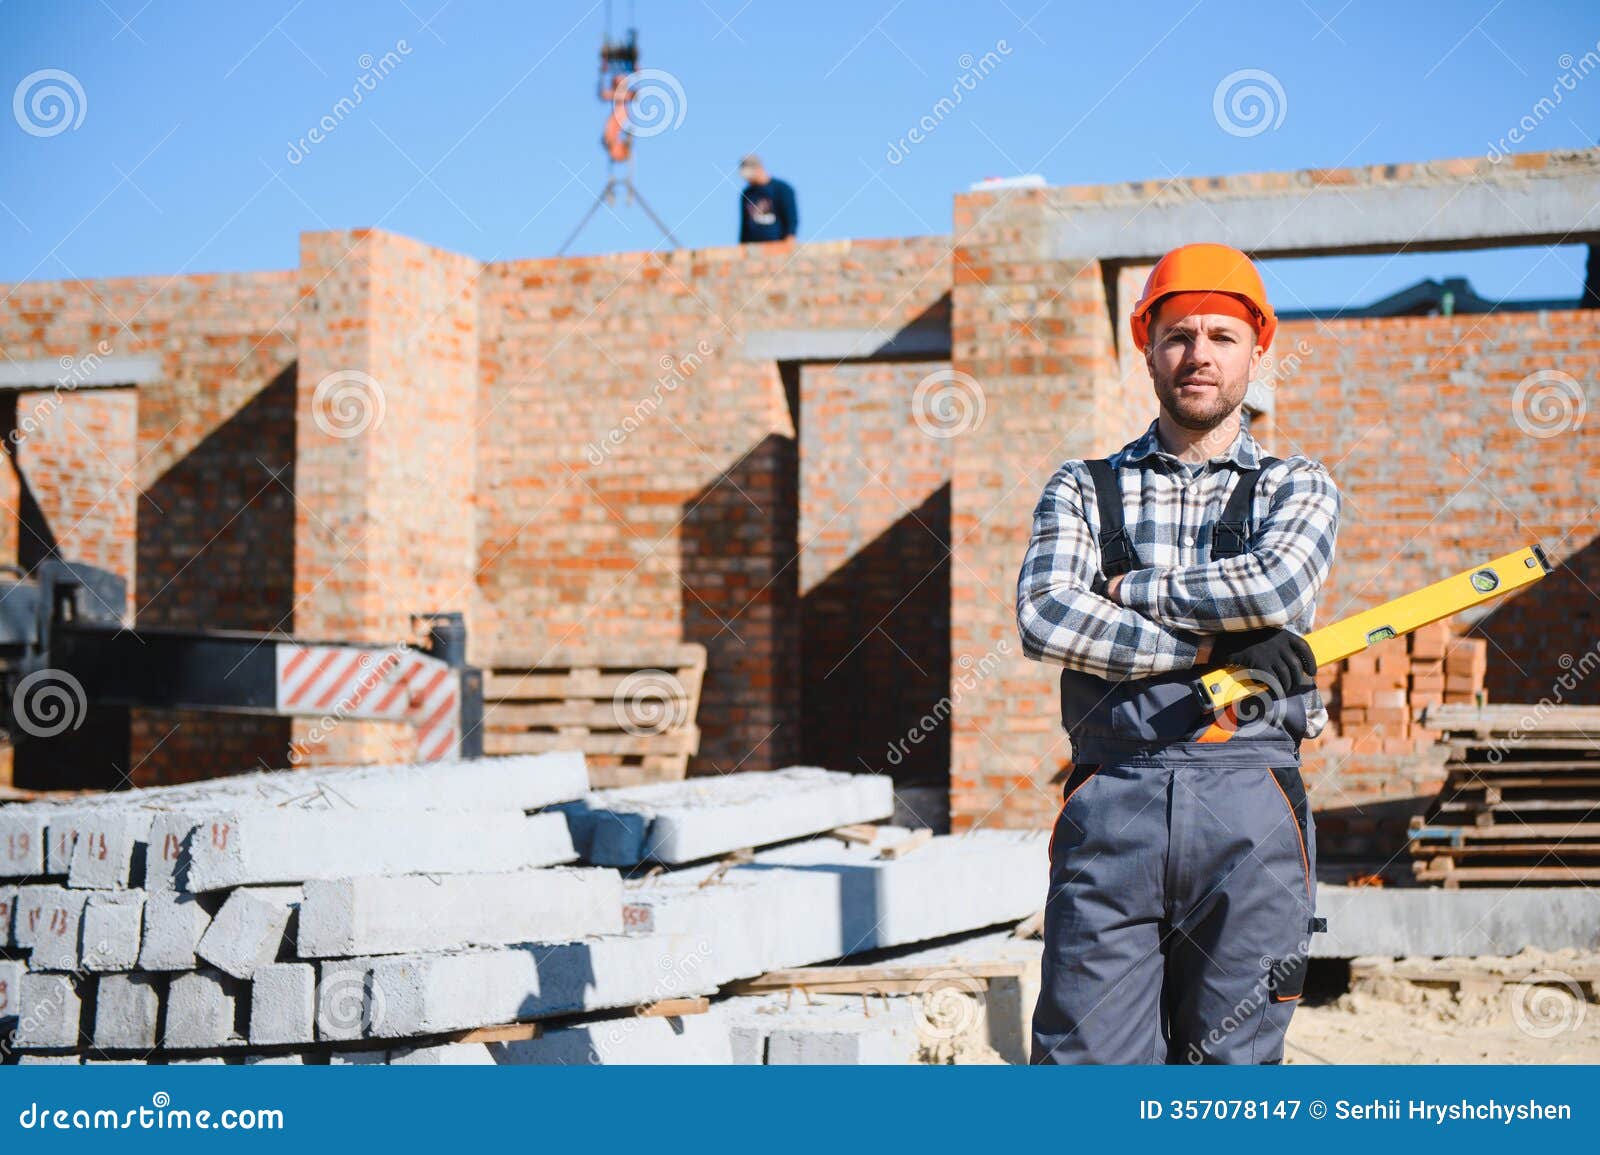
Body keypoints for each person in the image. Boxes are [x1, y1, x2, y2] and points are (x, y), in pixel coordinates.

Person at [1016, 242, 1342, 1065]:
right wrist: (1208, 643)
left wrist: (1125, 589)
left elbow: (1275, 592)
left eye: (1222, 337)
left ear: (1257, 348)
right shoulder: (1081, 486)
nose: (1199, 355)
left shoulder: (1296, 485)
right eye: (1178, 335)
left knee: (1233, 1076)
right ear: (1148, 348)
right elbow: (1047, 616)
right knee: (1082, 1065)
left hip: (1252, 812)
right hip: (1113, 800)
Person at [737, 155, 797, 244]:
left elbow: (791, 220)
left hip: (777, 246)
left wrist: (788, 242)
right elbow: (744, 226)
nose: (748, 179)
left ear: (759, 169)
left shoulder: (782, 189)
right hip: (752, 249)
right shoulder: (747, 194)